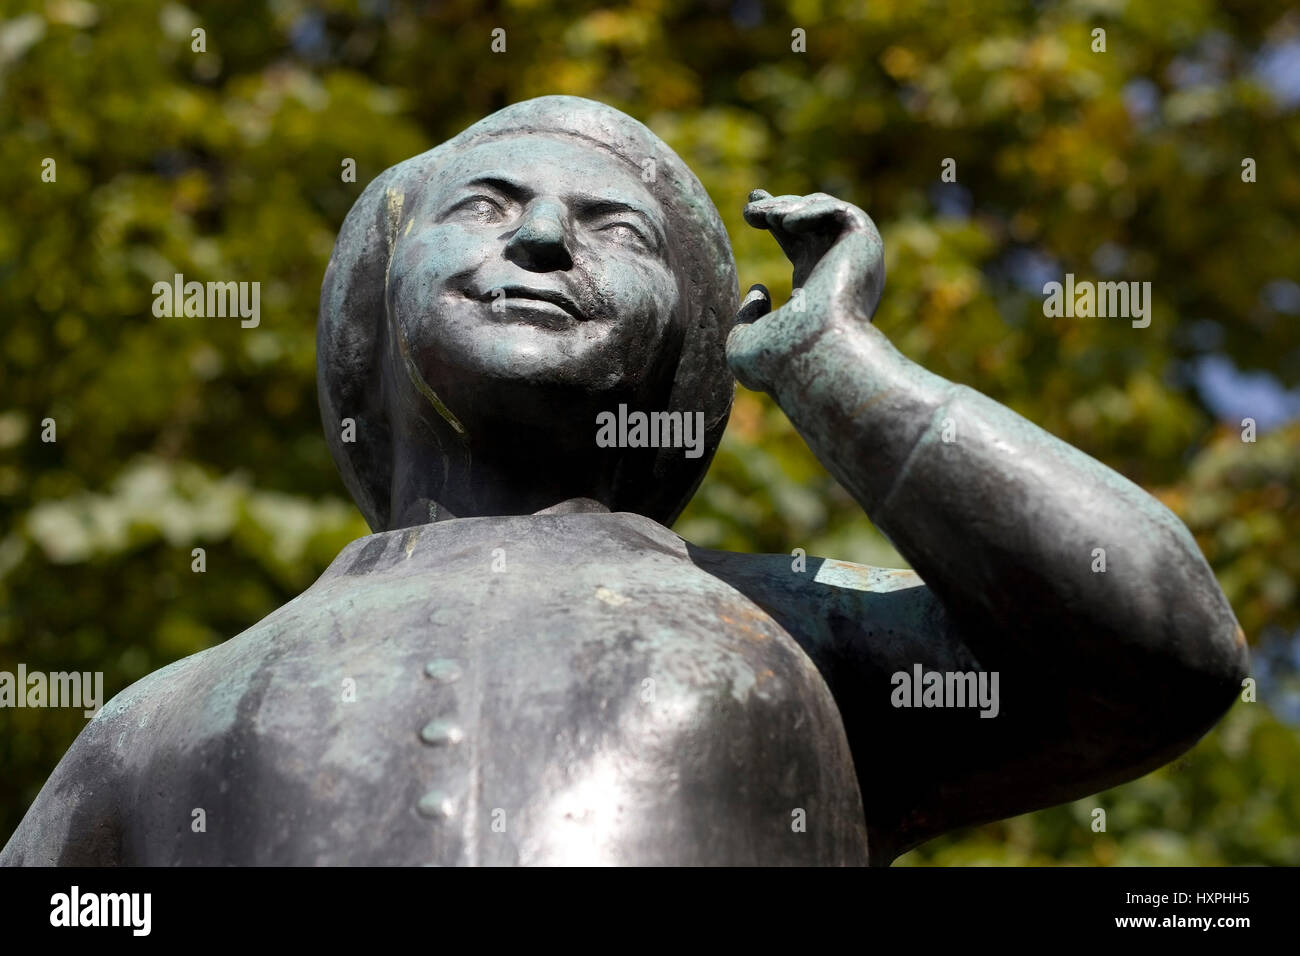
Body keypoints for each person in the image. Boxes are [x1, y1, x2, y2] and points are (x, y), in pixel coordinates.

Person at [1, 96, 1247, 866]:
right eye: (486, 205)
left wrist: (834, 365)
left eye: (616, 228)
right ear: (375, 289)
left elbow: (1162, 651)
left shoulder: (798, 632)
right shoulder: (159, 723)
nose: (541, 238)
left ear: (683, 340)